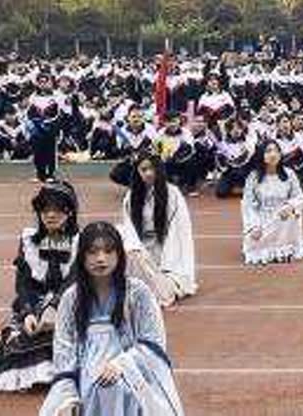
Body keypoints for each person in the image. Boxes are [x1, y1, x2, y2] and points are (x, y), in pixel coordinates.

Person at [39, 222, 184, 416]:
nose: (101, 259)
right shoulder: (71, 298)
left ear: (119, 255)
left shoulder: (138, 292)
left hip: (133, 373)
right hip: (84, 377)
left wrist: (121, 365)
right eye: (92, 252)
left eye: (109, 251)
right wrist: (67, 396)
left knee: (113, 389)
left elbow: (153, 342)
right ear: (81, 256)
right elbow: (64, 352)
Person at [0, 182, 81, 391]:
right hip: (37, 304)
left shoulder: (80, 241)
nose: (50, 215)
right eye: (45, 209)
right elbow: (23, 282)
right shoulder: (29, 240)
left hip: (72, 302)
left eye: (58, 209)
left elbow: (75, 280)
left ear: (69, 212)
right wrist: (28, 313)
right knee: (21, 338)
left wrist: (54, 307)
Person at [118, 153, 197, 308]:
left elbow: (178, 230)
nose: (148, 173)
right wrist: (136, 249)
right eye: (143, 169)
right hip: (142, 249)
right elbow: (130, 228)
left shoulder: (172, 193)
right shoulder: (130, 196)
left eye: (152, 169)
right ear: (137, 172)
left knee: (163, 285)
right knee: (120, 234)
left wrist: (167, 262)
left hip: (165, 248)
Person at [241, 139, 303, 264]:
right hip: (263, 220)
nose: (273, 155)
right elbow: (248, 205)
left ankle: (285, 247)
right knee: (254, 243)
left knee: (291, 214)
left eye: (276, 151)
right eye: (268, 151)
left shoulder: (289, 174)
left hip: (284, 219)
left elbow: (300, 197)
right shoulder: (253, 177)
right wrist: (253, 226)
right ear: (261, 155)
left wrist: (290, 206)